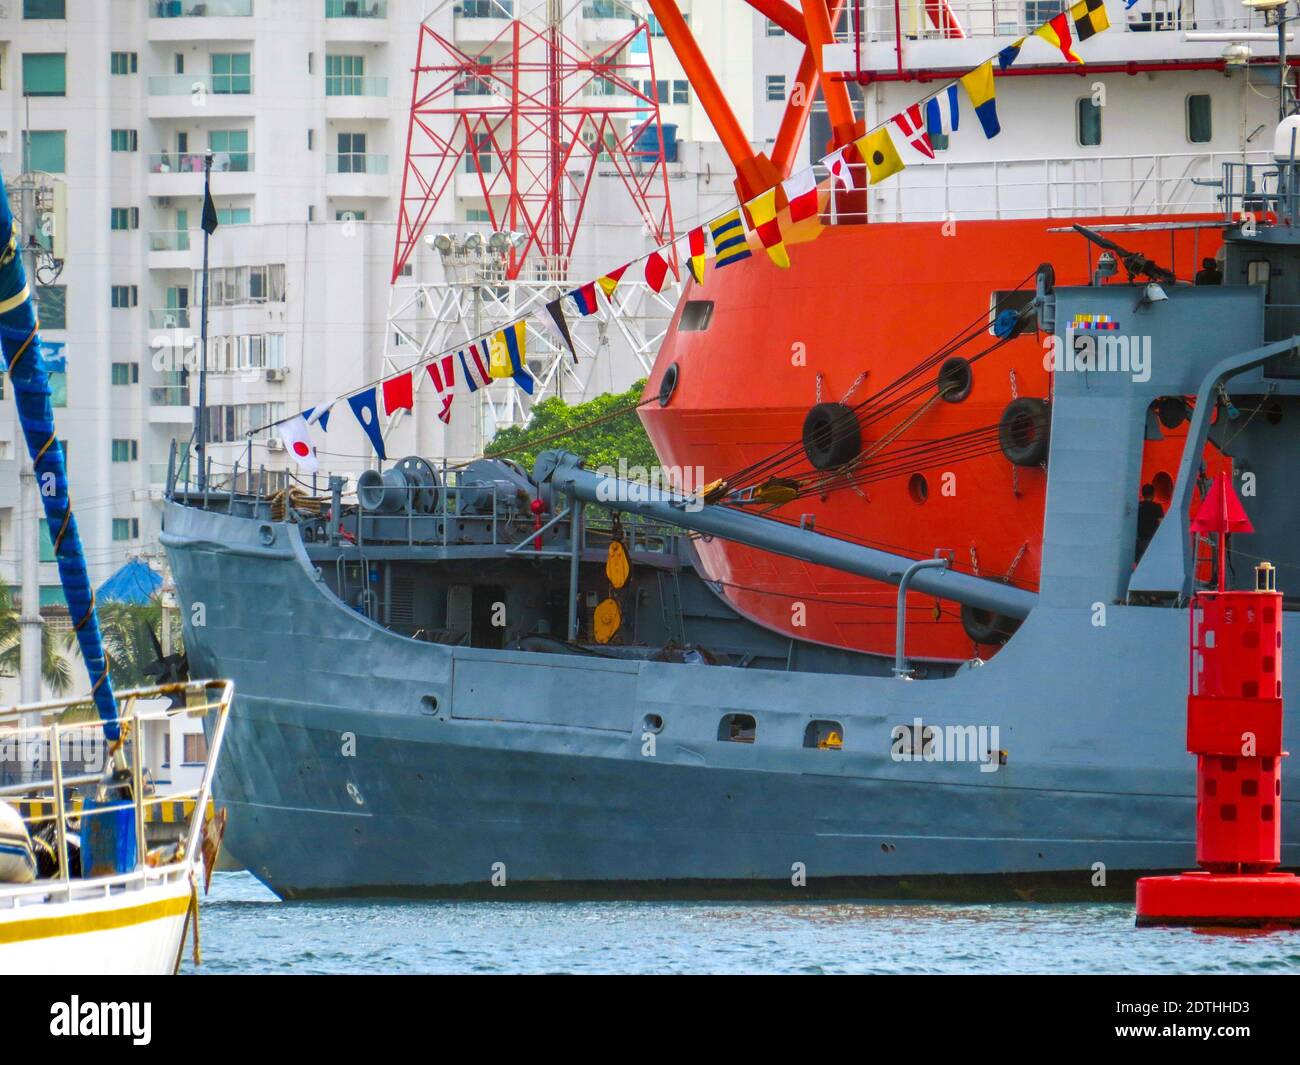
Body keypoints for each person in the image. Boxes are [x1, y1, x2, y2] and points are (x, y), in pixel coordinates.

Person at [1136, 483, 1164, 562]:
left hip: (1138, 540)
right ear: (1153, 494)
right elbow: (1161, 523)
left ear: (1142, 494)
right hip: (1151, 541)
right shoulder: (1157, 507)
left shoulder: (1138, 506)